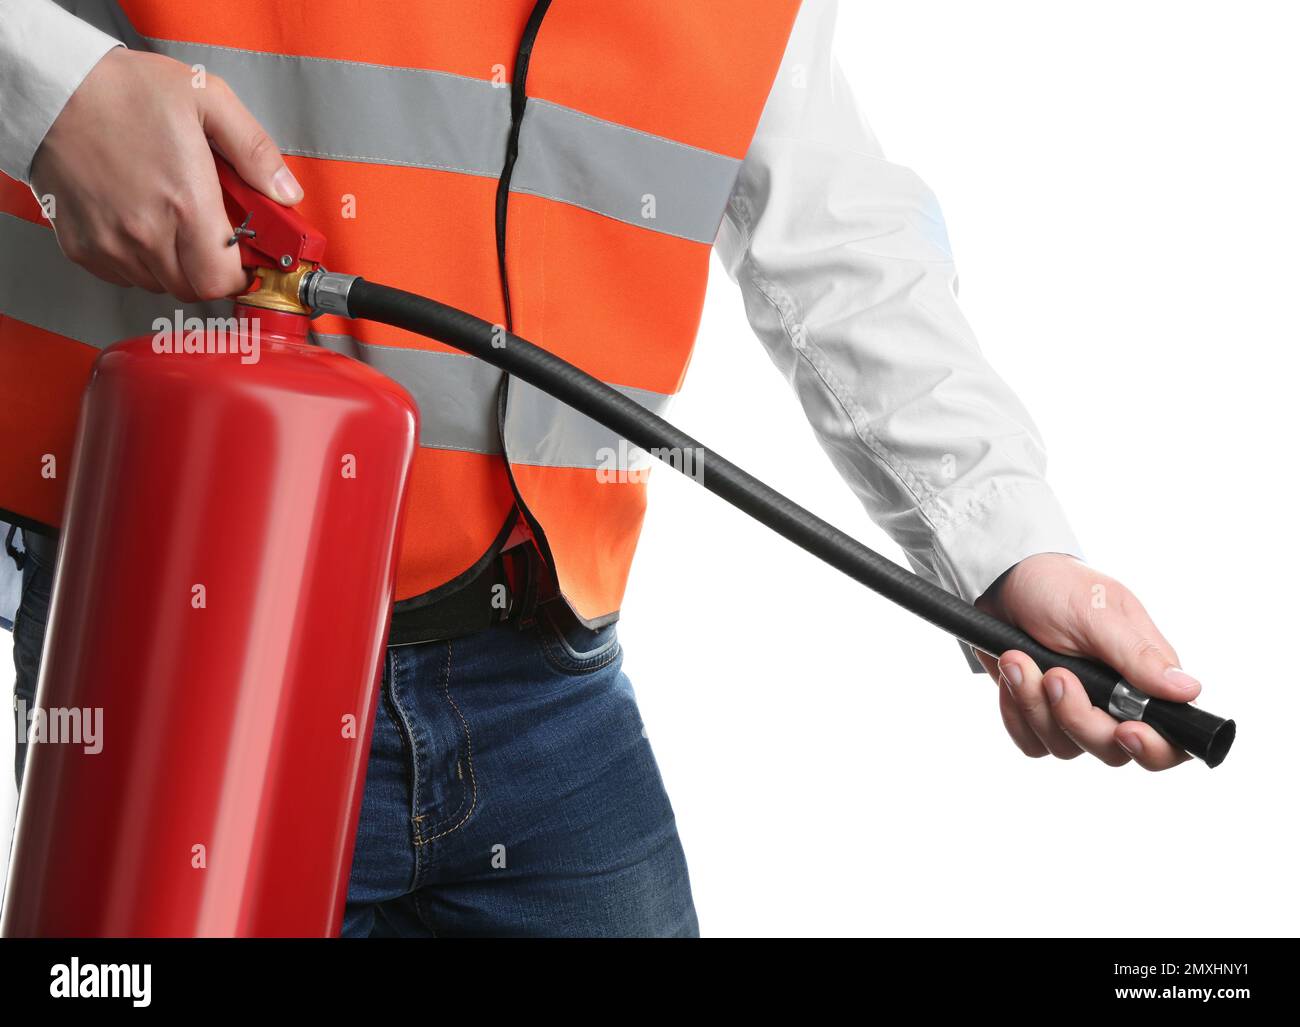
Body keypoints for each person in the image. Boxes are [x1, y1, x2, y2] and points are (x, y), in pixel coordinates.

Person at [0, 0, 1206, 937]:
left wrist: (1008, 547)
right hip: (190, 651)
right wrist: (47, 90)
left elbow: (829, 229)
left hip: (544, 674)